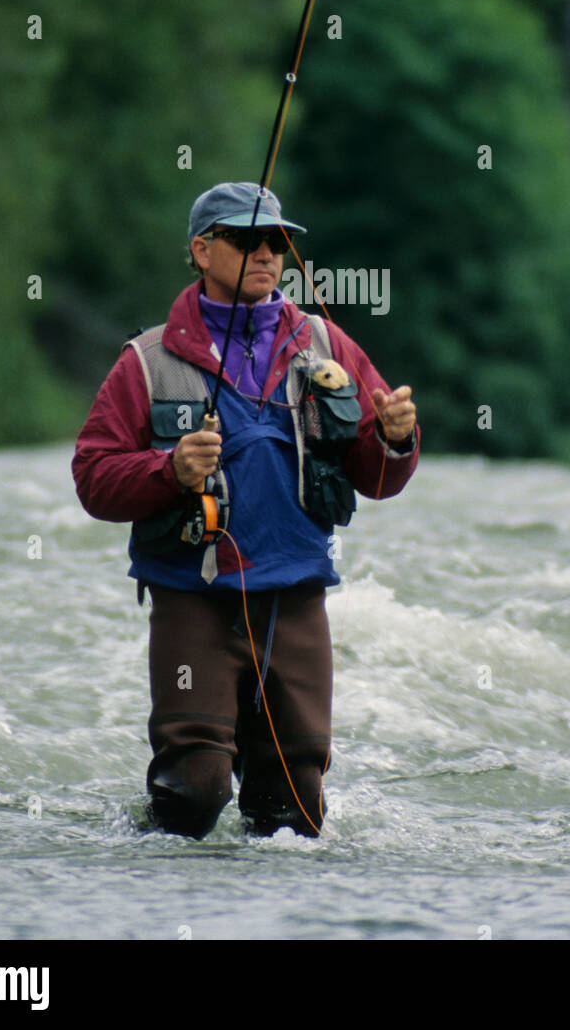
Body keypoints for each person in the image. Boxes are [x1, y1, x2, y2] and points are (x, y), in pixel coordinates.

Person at [72, 181, 418, 839]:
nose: (266, 253)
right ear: (202, 250)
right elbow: (93, 477)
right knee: (191, 795)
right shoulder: (145, 363)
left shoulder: (329, 346)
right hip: (193, 596)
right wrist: (167, 469)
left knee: (294, 813)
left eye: (276, 242)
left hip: (297, 597)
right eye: (245, 239)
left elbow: (375, 475)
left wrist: (397, 438)